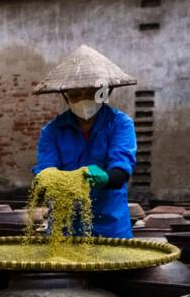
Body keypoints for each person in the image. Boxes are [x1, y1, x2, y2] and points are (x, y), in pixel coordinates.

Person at [32, 45, 138, 238]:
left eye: (91, 93)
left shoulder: (120, 124)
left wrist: (105, 177)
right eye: (75, 95)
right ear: (66, 97)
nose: (83, 100)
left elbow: (121, 172)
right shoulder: (52, 131)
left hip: (110, 228)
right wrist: (50, 178)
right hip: (64, 229)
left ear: (105, 92)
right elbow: (45, 171)